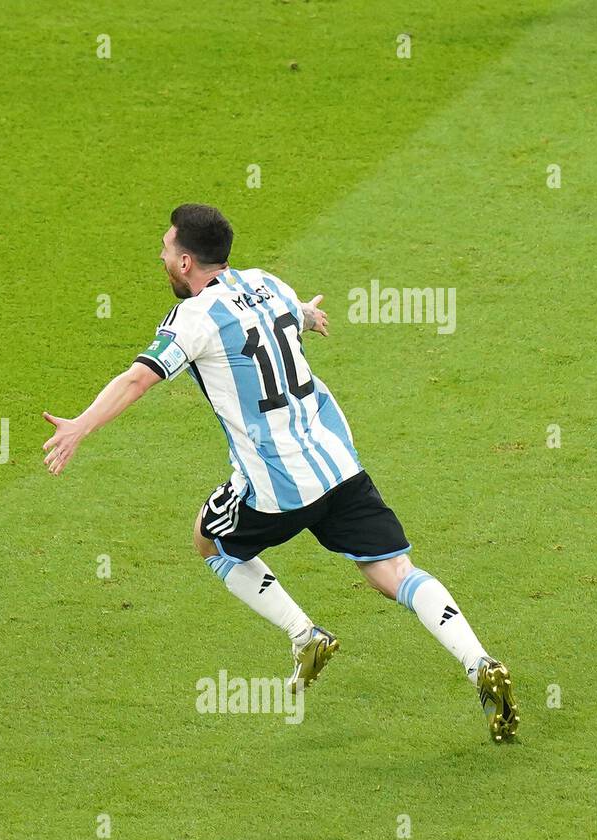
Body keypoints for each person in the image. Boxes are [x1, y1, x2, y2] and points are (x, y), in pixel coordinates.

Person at [41, 203, 518, 741]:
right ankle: (479, 662)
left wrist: (80, 426)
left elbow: (137, 380)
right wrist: (310, 317)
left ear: (185, 263)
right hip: (339, 466)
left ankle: (304, 633)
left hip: (275, 488)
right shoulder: (267, 283)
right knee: (394, 571)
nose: (161, 255)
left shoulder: (194, 319)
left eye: (166, 249)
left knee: (209, 540)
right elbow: (298, 316)